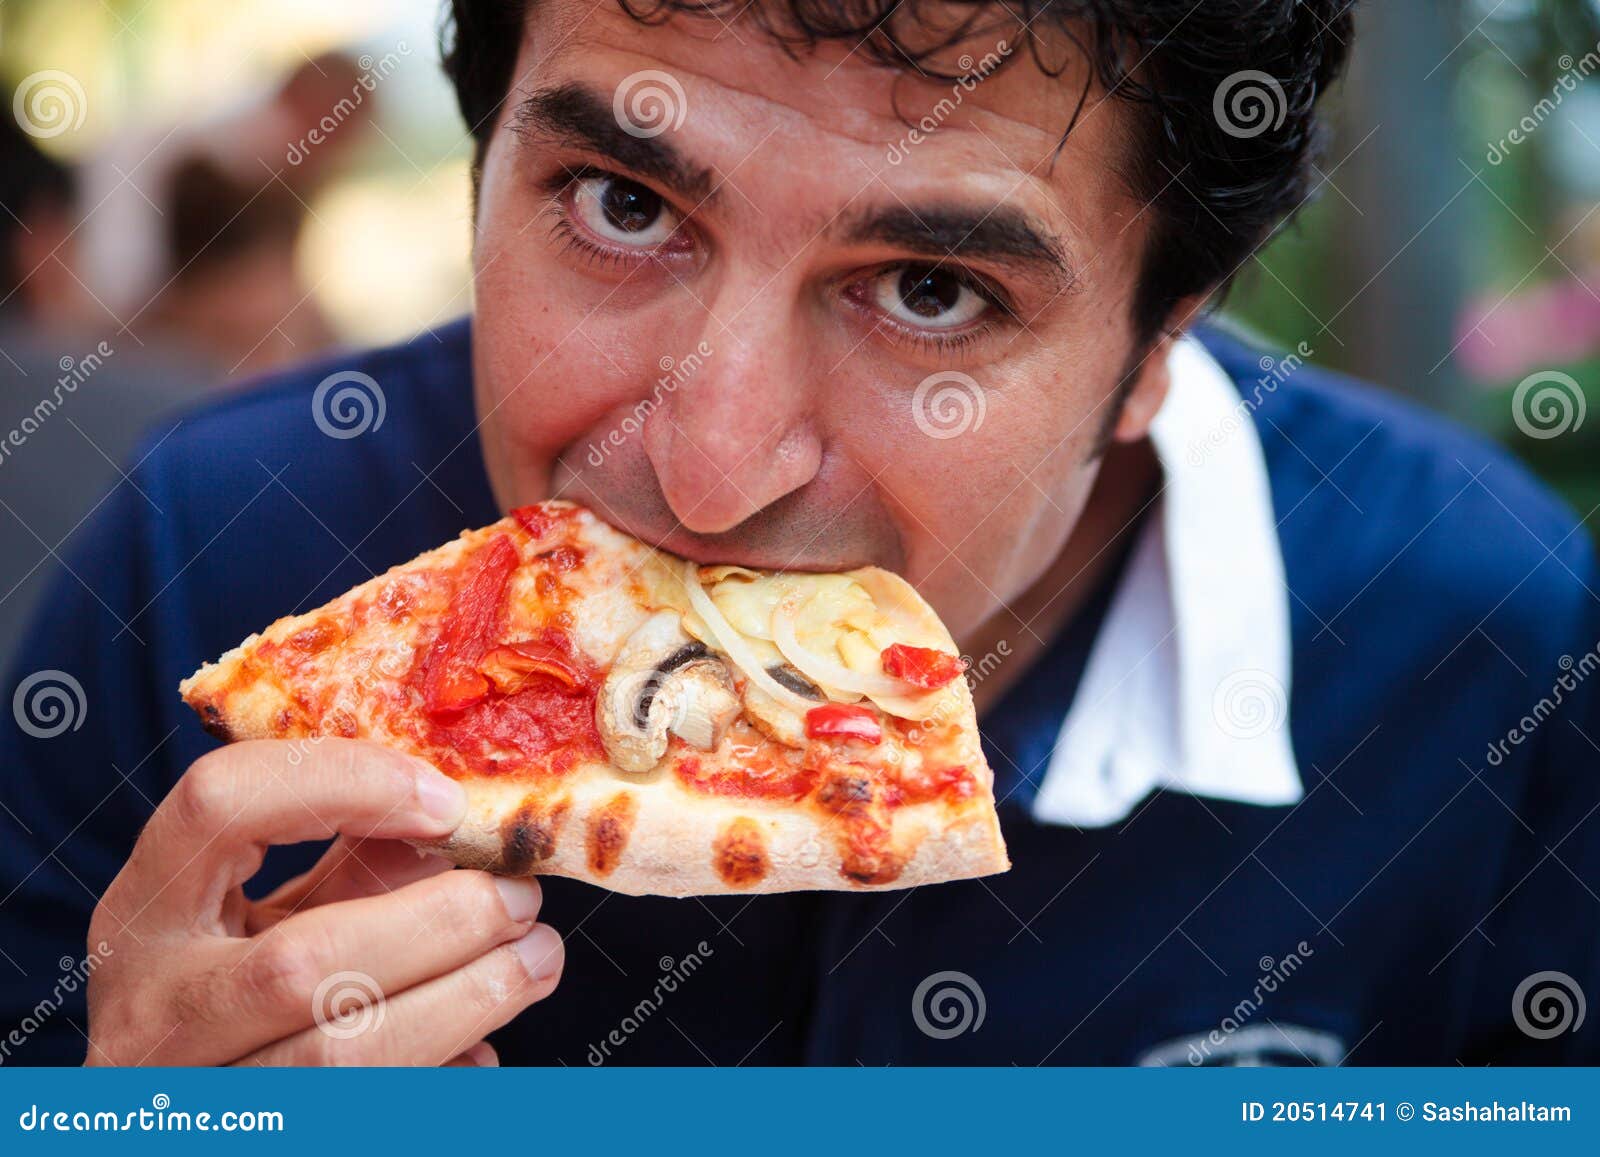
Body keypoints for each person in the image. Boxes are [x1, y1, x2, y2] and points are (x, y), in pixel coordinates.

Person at [1, 0, 1596, 1067]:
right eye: (624, 204)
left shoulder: (1486, 644)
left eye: (929, 291)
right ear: (485, 165)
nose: (708, 471)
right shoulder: (210, 553)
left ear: (1160, 339)